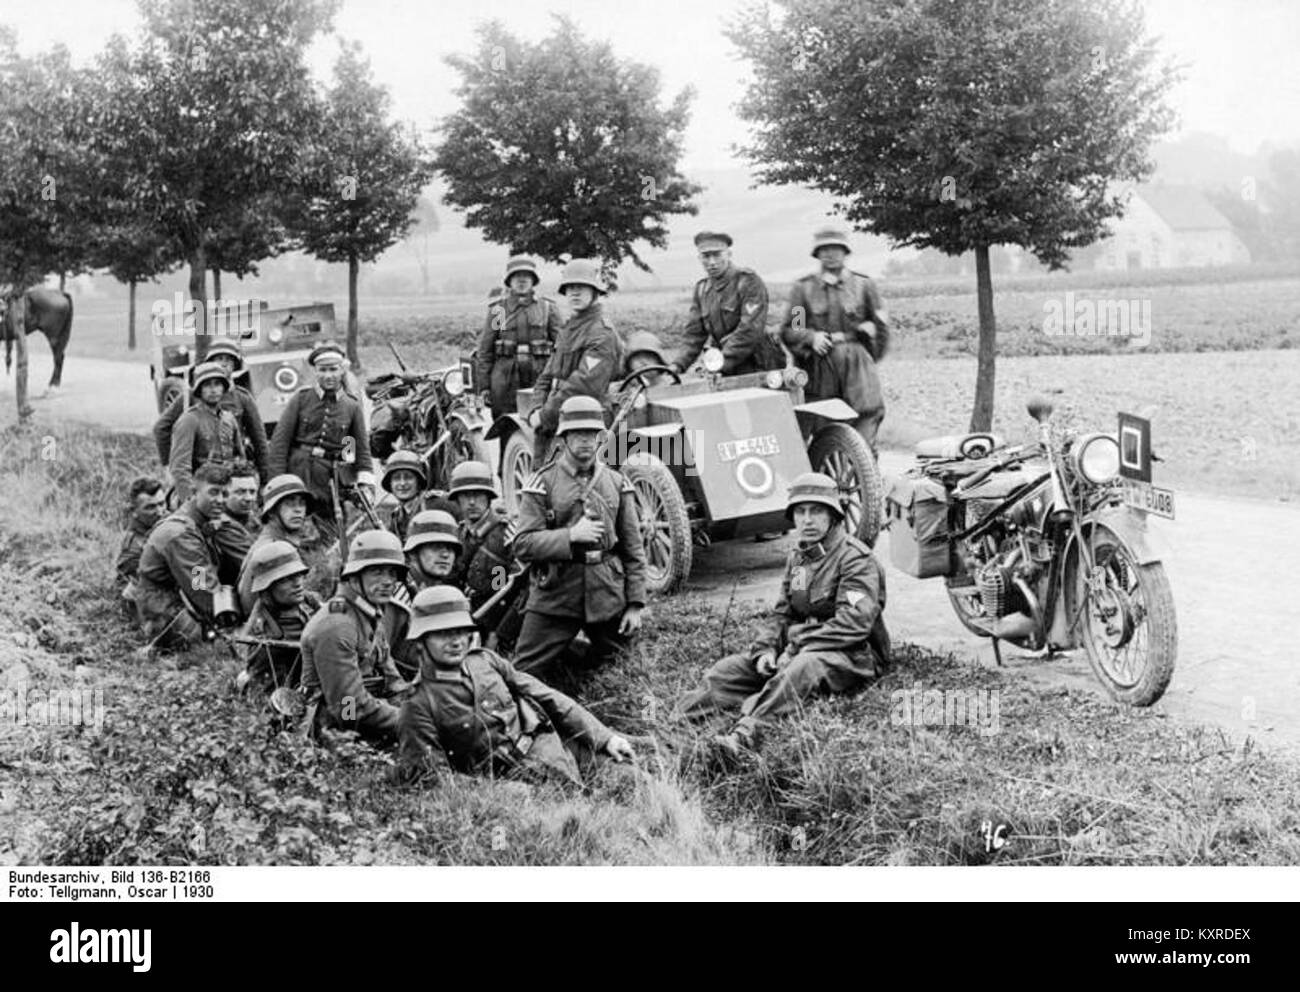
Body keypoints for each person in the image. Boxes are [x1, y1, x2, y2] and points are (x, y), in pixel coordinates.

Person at [675, 472, 890, 753]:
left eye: (816, 511)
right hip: (800, 649)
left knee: (802, 668)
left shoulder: (855, 559)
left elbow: (854, 624)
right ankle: (672, 728)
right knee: (726, 671)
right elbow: (782, 612)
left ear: (834, 516)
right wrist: (766, 650)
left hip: (851, 654)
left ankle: (743, 736)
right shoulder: (800, 559)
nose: (807, 520)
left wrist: (796, 645)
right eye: (800, 511)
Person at [393, 587, 635, 788]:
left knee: (634, 778)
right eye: (442, 634)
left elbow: (547, 697)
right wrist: (509, 793)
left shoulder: (485, 661)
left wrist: (604, 737)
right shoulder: (417, 706)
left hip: (556, 747)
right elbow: (435, 781)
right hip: (519, 782)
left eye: (460, 631)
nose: (456, 641)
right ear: (420, 641)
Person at [512, 396, 647, 683]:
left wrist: (635, 604)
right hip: (556, 593)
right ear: (564, 437)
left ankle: (644, 722)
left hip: (608, 594)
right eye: (578, 433)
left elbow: (633, 548)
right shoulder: (542, 483)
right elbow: (522, 544)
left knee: (635, 674)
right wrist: (571, 536)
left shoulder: (616, 482)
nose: (586, 441)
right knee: (522, 674)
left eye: (592, 434)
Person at [780, 226, 891, 450]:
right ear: (817, 254)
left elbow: (881, 327)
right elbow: (792, 329)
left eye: (836, 248)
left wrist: (868, 357)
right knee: (823, 423)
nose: (830, 254)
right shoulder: (805, 289)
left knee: (867, 414)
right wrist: (811, 338)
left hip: (857, 363)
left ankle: (866, 475)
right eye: (824, 249)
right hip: (822, 367)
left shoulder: (863, 285)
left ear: (845, 252)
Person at [300, 530, 414, 745]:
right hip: (336, 727)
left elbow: (392, 680)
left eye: (392, 573)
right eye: (377, 572)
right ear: (354, 576)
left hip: (369, 711)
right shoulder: (337, 625)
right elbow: (348, 707)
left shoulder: (370, 613)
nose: (388, 581)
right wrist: (407, 721)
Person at [135, 462, 245, 650]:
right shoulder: (181, 534)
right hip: (166, 617)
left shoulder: (198, 522)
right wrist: (233, 622)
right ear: (194, 492)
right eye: (213, 492)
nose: (220, 500)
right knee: (230, 647)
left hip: (174, 605)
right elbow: (201, 588)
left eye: (225, 494)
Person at [267, 341, 376, 527]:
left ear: (342, 370)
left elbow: (355, 449)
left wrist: (362, 483)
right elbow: (280, 444)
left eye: (333, 369)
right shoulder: (301, 399)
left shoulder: (351, 406)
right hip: (299, 472)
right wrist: (277, 482)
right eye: (322, 370)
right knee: (295, 523)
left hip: (330, 479)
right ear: (315, 372)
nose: (328, 375)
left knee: (332, 529)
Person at [526, 259, 622, 464]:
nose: (574, 293)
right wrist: (536, 407)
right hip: (554, 408)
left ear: (595, 292)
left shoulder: (600, 332)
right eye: (570, 288)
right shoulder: (569, 327)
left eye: (581, 287)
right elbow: (548, 373)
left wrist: (545, 415)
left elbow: (584, 384)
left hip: (584, 417)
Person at [153, 338, 269, 479]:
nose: (224, 364)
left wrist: (264, 477)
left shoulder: (242, 398)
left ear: (235, 365)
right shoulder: (192, 396)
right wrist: (168, 465)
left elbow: (260, 441)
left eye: (228, 360)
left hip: (233, 468)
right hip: (201, 471)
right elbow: (161, 428)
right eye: (219, 359)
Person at [671, 231, 778, 376]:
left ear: (729, 254)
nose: (712, 262)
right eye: (706, 256)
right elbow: (693, 334)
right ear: (699, 258)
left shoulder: (747, 281)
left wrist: (719, 362)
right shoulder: (702, 289)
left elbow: (750, 329)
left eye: (717, 254)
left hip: (756, 364)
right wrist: (677, 365)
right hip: (721, 365)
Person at [448, 460, 525, 653]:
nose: (472, 502)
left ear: (488, 498)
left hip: (500, 620)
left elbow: (515, 589)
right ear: (457, 500)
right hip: (468, 617)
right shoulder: (458, 534)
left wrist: (499, 633)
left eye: (478, 495)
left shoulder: (506, 534)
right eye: (466, 496)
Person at [476, 256, 563, 420]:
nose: (522, 280)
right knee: (506, 423)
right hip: (504, 379)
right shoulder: (499, 310)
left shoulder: (547, 308)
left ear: (533, 280)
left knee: (541, 421)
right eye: (517, 276)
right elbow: (485, 351)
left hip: (539, 376)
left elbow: (562, 347)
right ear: (509, 281)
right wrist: (485, 386)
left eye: (526, 276)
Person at [233, 541, 322, 696]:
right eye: (285, 579)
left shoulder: (305, 601)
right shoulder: (268, 639)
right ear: (267, 588)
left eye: (298, 575)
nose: (298, 583)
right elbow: (265, 697)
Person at [236, 473, 329, 613]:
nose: (298, 509)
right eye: (290, 503)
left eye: (301, 503)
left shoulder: (278, 541)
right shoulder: (273, 547)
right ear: (272, 511)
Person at [168, 361, 247, 501]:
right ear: (199, 390)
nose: (213, 389)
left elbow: (240, 459)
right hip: (200, 493)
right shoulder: (189, 420)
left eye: (217, 384)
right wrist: (190, 502)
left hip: (227, 493)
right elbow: (180, 468)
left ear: (223, 388)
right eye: (207, 385)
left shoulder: (229, 419)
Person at [378, 449, 459, 544]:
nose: (402, 483)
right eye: (396, 478)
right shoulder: (397, 518)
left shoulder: (439, 503)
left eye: (408, 477)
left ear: (418, 482)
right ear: (390, 484)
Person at [115, 476, 166, 622]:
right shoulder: (134, 549)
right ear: (134, 511)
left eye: (162, 504)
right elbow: (127, 593)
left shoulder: (165, 521)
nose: (160, 511)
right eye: (150, 507)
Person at [402, 510, 462, 594]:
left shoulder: (441, 589)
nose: (445, 555)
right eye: (436, 547)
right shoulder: (398, 591)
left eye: (450, 548)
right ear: (413, 553)